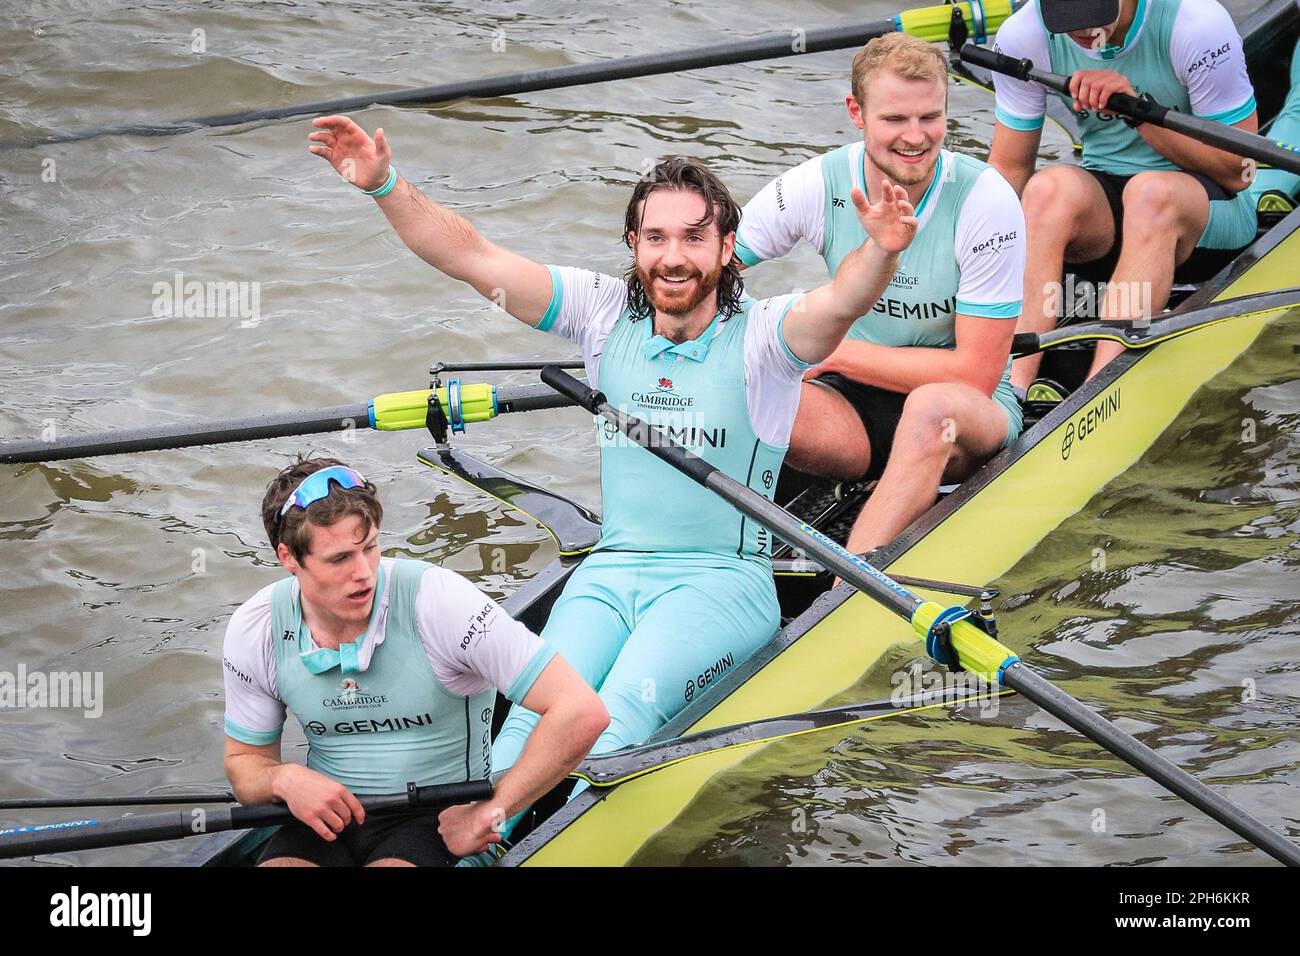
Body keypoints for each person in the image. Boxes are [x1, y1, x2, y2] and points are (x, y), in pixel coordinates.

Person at [306, 116, 917, 846]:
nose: (674, 256)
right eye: (656, 238)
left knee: (612, 731)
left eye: (695, 237)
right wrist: (385, 186)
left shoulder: (765, 336)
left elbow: (841, 301)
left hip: (721, 583)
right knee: (522, 729)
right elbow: (472, 256)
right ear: (634, 246)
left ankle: (523, 833)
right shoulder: (602, 312)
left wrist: (879, 250)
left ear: (727, 248)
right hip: (612, 569)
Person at [222, 457, 608, 866]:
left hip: (439, 820)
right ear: (289, 558)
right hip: (327, 818)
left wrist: (494, 811)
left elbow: (580, 711)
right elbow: (245, 764)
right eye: (339, 559)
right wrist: (282, 777)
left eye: (369, 547)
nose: (364, 573)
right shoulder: (257, 628)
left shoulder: (440, 603)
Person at [734, 33, 1026, 556]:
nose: (915, 137)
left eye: (930, 118)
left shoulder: (986, 200)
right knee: (742, 387)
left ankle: (850, 588)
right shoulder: (814, 185)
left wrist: (835, 352)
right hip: (854, 405)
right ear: (857, 112)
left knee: (931, 407)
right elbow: (713, 269)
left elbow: (977, 374)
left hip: (967, 411)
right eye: (894, 120)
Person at [988, 0, 1259, 398]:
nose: (1080, 31)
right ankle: (1009, 389)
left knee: (1149, 194)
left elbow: (1240, 171)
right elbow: (1009, 171)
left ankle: (1102, 391)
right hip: (1108, 213)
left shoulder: (1196, 25)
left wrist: (1139, 112)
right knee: (1045, 191)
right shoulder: (1024, 33)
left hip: (1207, 212)